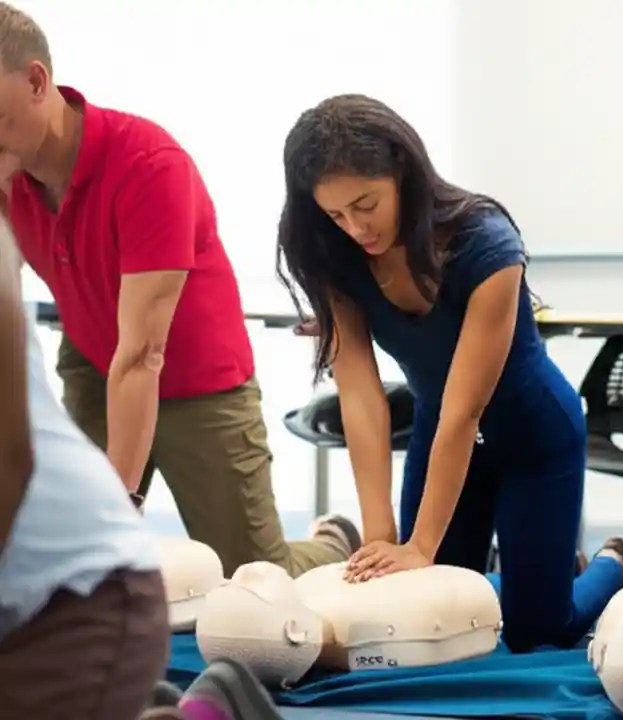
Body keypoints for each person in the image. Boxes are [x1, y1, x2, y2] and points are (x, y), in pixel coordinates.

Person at [0, 3, 356, 578]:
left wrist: (120, 510)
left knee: (253, 574)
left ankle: (335, 541)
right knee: (66, 552)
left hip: (193, 379)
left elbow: (143, 355)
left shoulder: (148, 166)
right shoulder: (9, 171)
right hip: (94, 358)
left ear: (37, 81)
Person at [274, 93, 623, 653]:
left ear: (402, 171)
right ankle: (528, 566)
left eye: (365, 204)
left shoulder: (487, 246)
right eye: (335, 214)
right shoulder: (335, 256)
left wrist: (421, 544)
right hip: (438, 436)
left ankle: (612, 563)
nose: (354, 226)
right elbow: (362, 399)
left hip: (534, 443)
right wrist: (381, 538)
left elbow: (464, 411)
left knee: (535, 632)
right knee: (426, 616)